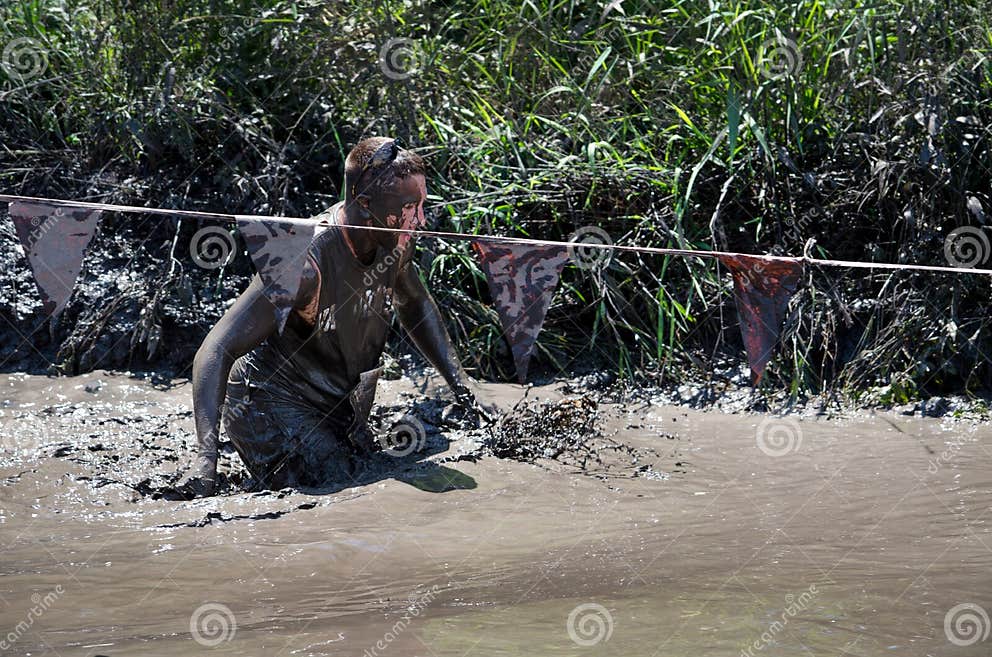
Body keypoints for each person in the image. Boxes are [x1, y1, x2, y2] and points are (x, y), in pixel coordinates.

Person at [178, 137, 490, 497]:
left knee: (365, 469)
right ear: (364, 203)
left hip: (338, 400)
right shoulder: (302, 262)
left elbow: (414, 303)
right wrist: (205, 458)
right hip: (268, 401)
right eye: (408, 208)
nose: (419, 221)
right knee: (346, 486)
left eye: (422, 206)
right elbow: (216, 348)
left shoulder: (397, 239)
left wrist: (463, 388)